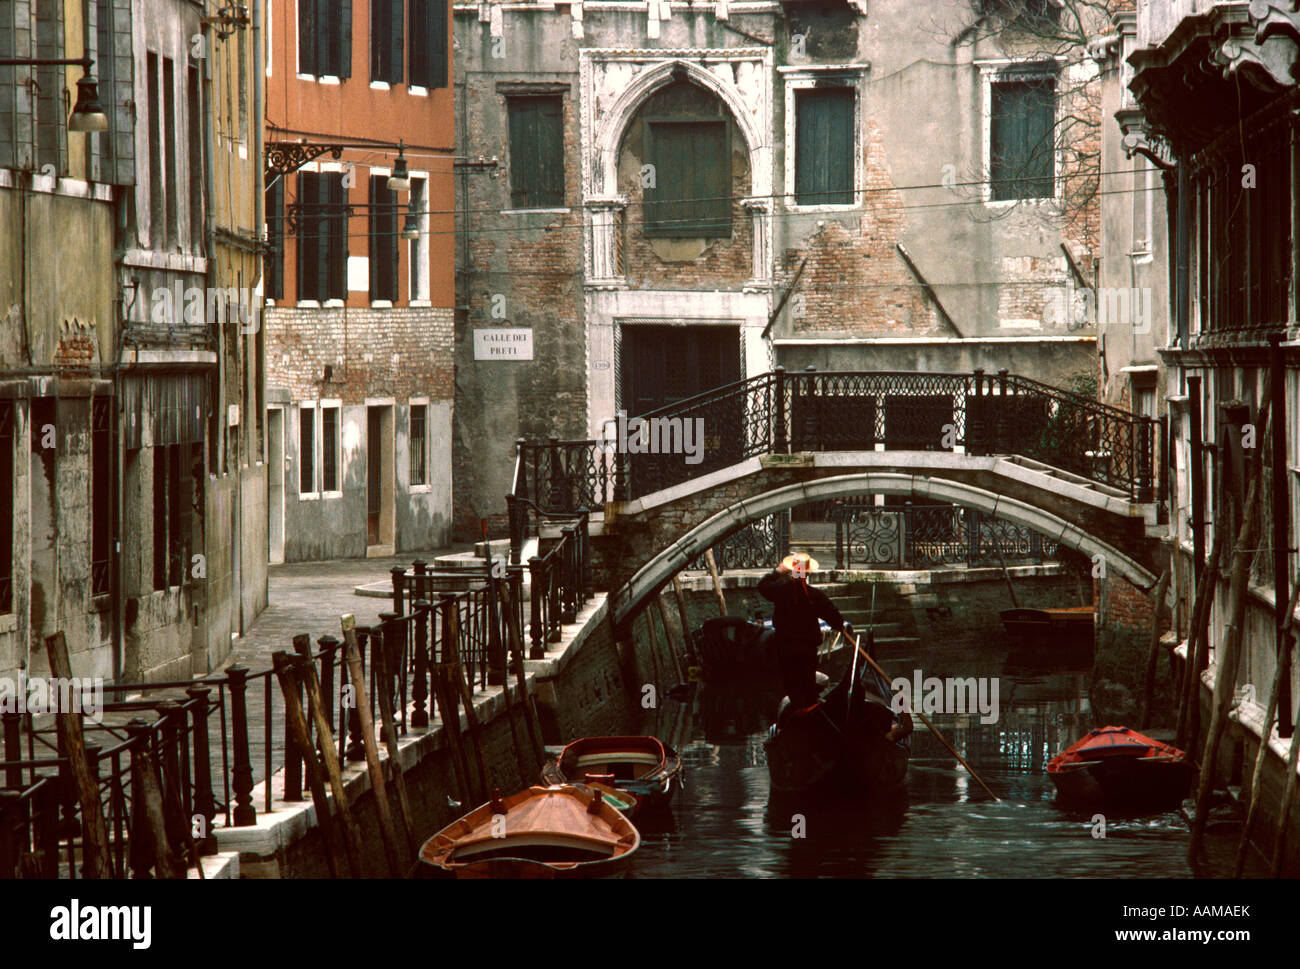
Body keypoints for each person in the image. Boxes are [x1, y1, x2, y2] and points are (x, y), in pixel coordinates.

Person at [757, 552, 853, 715]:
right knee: (807, 684)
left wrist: (778, 571)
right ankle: (807, 711)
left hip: (785, 648)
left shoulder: (780, 591)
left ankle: (799, 712)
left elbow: (762, 586)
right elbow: (833, 615)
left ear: (791, 571)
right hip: (806, 649)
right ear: (807, 573)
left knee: (792, 685)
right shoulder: (815, 595)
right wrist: (840, 627)